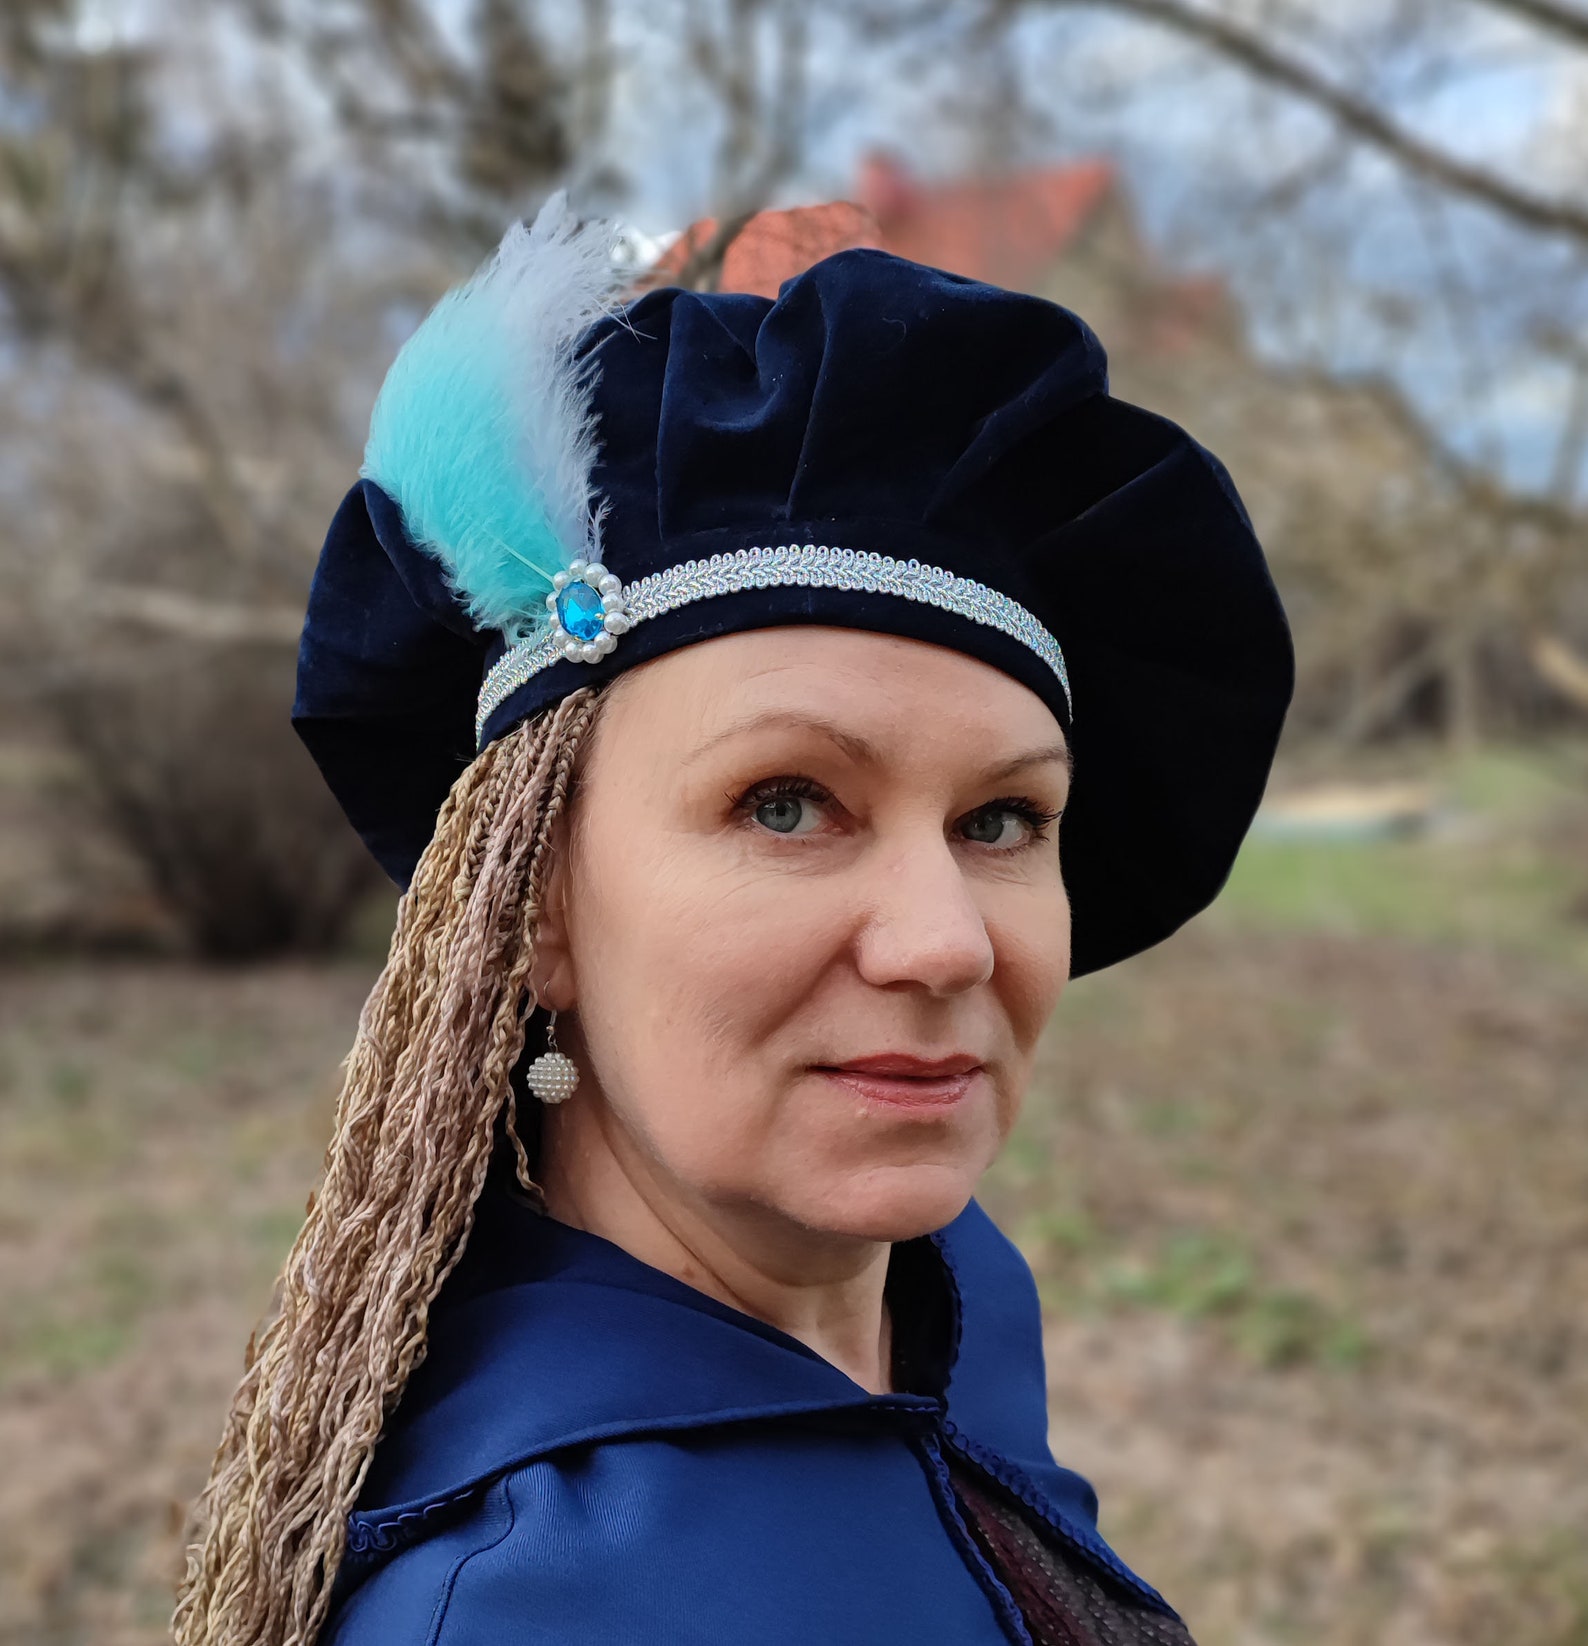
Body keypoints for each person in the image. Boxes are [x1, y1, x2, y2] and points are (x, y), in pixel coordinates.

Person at [173, 197, 1292, 1646]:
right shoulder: (535, 1603)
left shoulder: (939, 1297)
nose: (945, 941)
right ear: (535, 911)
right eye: (785, 802)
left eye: (1001, 819)